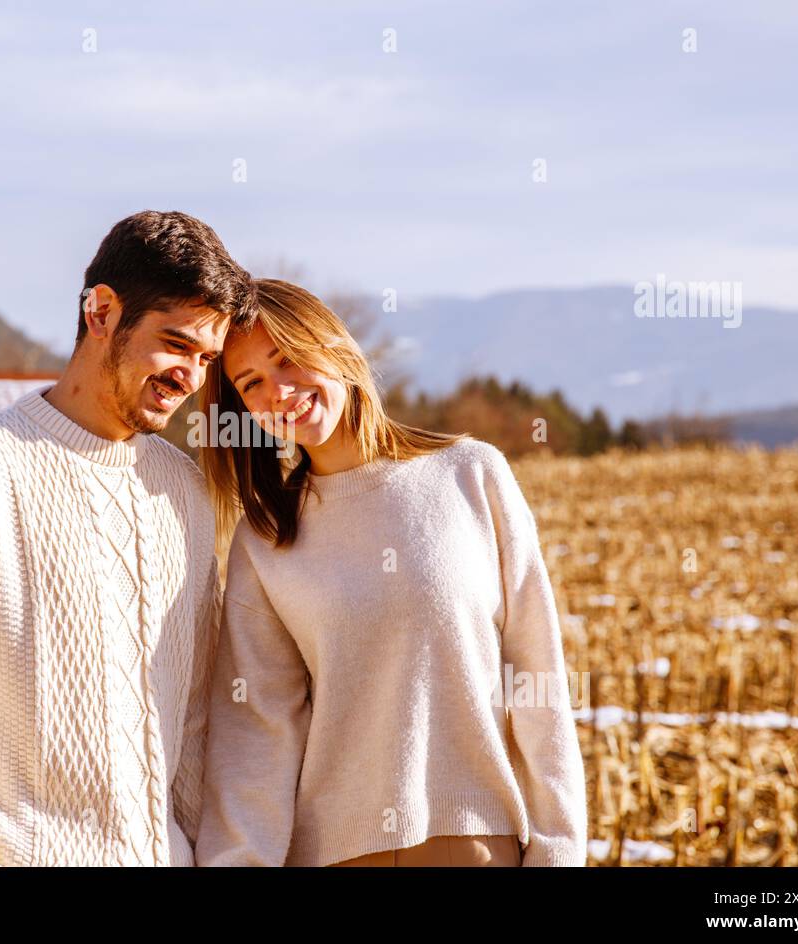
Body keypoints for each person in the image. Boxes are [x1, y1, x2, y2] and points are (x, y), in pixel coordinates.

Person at [0, 210, 255, 865]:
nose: (193, 376)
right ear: (101, 313)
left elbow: (197, 721)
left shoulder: (185, 493)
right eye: (177, 344)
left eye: (207, 358)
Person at [194, 278, 588, 867]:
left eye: (288, 357)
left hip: (476, 844)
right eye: (252, 383)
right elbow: (256, 729)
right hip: (334, 853)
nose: (279, 390)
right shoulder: (266, 538)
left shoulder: (472, 476)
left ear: (334, 347)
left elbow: (535, 673)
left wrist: (558, 848)